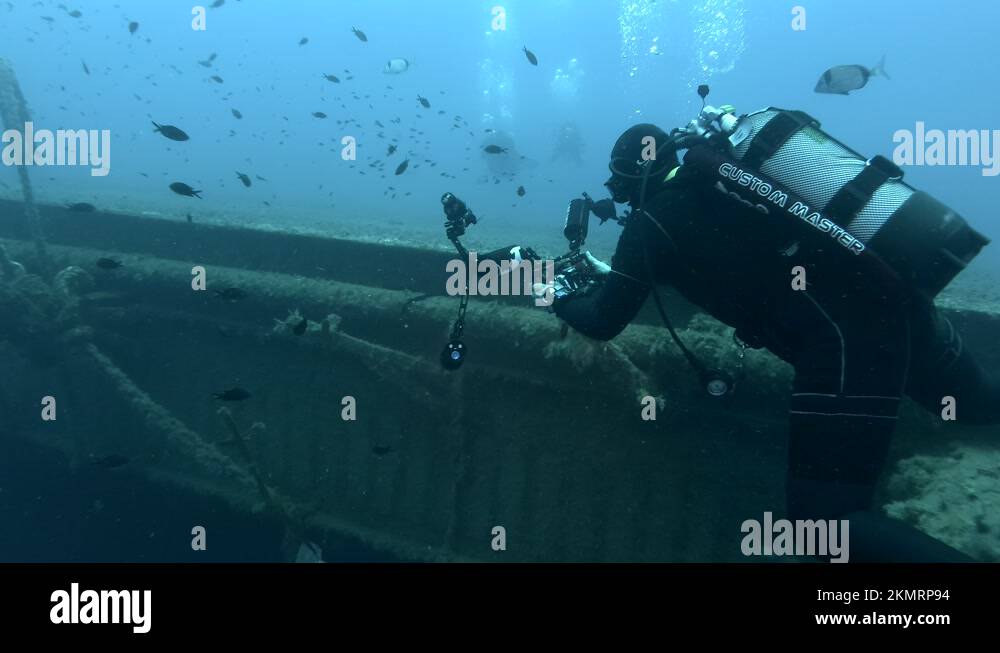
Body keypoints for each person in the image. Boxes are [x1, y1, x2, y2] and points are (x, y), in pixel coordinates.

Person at [548, 123, 999, 562]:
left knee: (822, 526)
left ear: (632, 173)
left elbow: (604, 320)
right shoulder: (728, 185)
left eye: (616, 173)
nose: (613, 185)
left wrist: (554, 292)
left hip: (845, 344)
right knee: (978, 403)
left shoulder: (652, 224)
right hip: (900, 300)